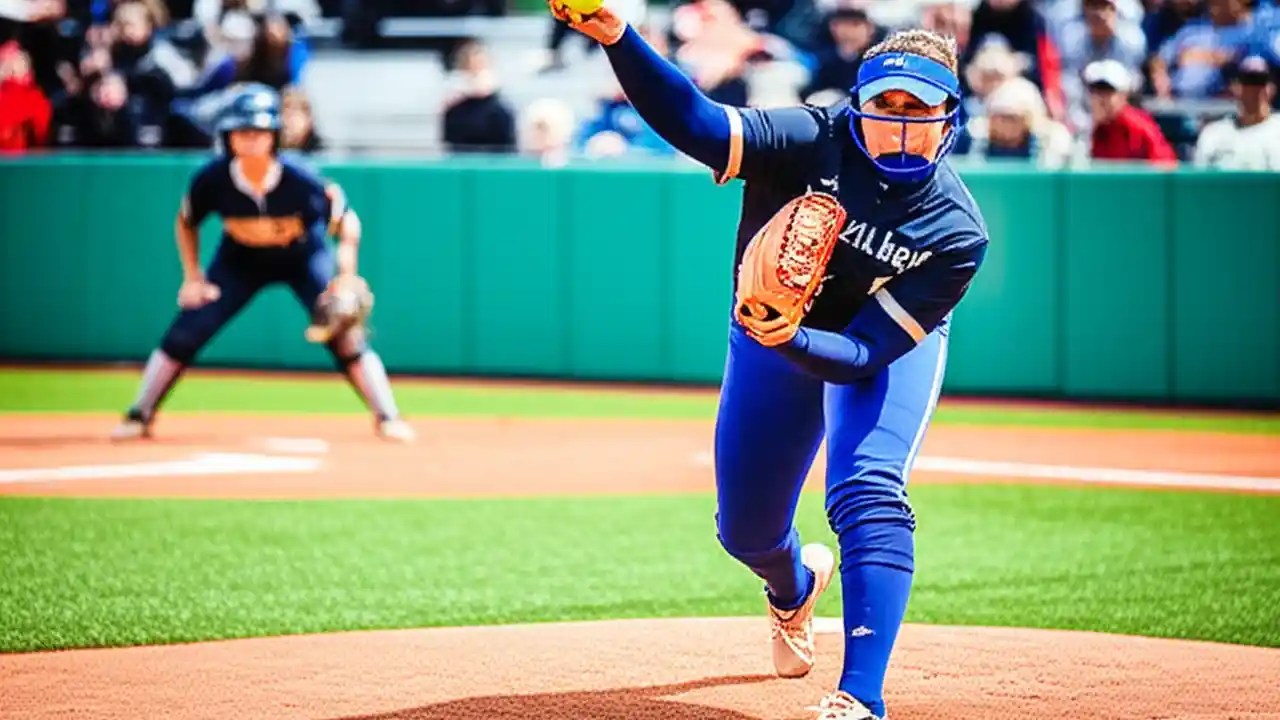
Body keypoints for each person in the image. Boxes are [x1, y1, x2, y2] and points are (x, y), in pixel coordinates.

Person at [546, 2, 990, 718]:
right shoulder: (810, 136)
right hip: (768, 332)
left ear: (950, 119)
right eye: (887, 104)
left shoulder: (955, 231)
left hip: (872, 346)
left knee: (868, 489)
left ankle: (860, 697)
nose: (902, 120)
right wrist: (616, 35)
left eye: (921, 107)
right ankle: (792, 587)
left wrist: (794, 338)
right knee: (745, 531)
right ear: (857, 105)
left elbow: (869, 351)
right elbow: (697, 123)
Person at [110, 83, 415, 443]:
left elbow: (347, 221)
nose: (250, 139)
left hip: (302, 256)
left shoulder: (300, 179)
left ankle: (388, 416)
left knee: (343, 332)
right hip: (241, 259)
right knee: (189, 328)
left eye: (258, 131)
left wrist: (345, 276)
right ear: (228, 137)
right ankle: (138, 414)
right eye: (241, 131)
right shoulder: (213, 179)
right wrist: (192, 276)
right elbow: (186, 221)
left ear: (274, 136)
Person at [1193, 54, 1280, 169]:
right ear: (1235, 87)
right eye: (1248, 81)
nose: (1255, 89)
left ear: (1272, 88)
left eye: (1261, 81)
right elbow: (1200, 182)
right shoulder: (1213, 135)